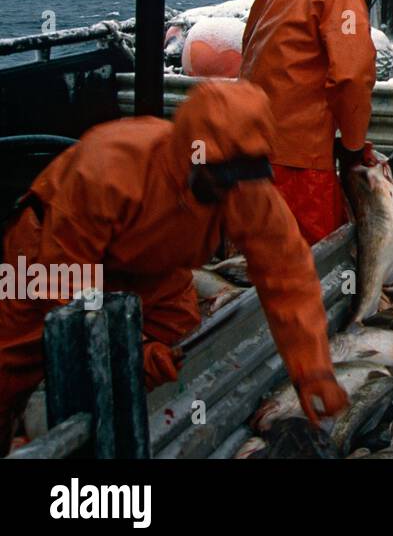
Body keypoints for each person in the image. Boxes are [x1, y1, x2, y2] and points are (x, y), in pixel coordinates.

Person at [0, 81, 346, 450]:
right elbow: (65, 283)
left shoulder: (246, 186)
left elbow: (288, 276)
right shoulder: (108, 167)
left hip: (156, 272)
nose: (232, 192)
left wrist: (312, 371)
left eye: (242, 175)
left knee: (182, 360)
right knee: (8, 367)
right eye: (221, 178)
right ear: (190, 157)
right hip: (48, 262)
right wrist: (134, 346)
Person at [240, 0, 390, 244]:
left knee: (253, 255)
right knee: (314, 257)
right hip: (299, 161)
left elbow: (250, 53)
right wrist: (352, 148)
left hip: (246, 149)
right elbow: (351, 77)